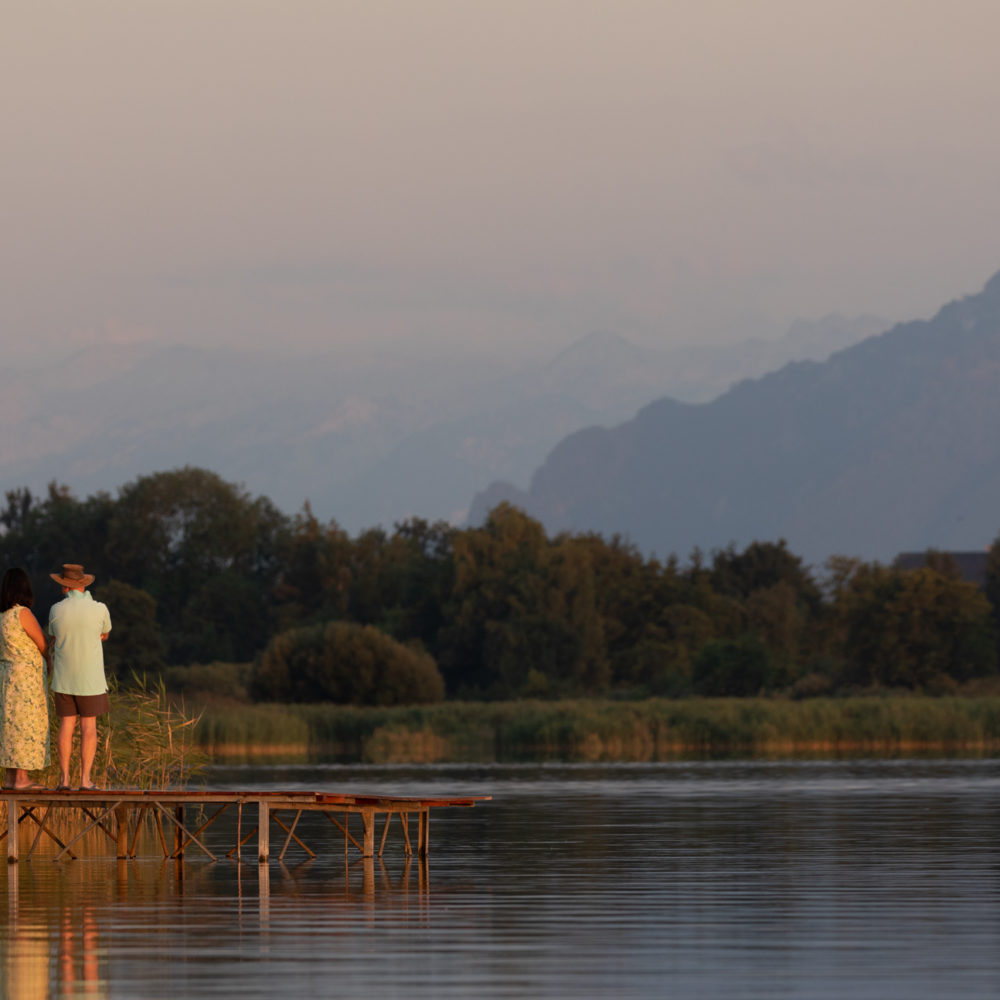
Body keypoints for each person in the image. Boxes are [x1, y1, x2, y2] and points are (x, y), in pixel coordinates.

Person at [47, 564, 111, 791]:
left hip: (64, 678)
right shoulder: (100, 608)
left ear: (65, 586)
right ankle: (85, 780)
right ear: (83, 584)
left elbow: (53, 637)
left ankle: (64, 780)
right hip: (90, 679)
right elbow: (104, 634)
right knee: (89, 727)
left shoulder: (56, 609)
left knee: (66, 725)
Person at [0, 568, 51, 790]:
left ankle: (11, 778)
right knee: (24, 725)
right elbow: (42, 643)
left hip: (7, 678)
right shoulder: (22, 613)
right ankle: (21, 779)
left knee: (10, 725)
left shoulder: (2, 617)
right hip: (26, 681)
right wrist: (49, 659)